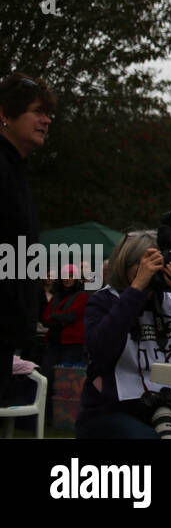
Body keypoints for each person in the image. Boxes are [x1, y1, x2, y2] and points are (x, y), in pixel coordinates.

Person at [76, 230, 171, 438]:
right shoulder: (104, 300)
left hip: (169, 405)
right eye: (149, 263)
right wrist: (135, 291)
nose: (157, 271)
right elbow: (101, 349)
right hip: (112, 408)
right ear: (126, 265)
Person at [0, 73, 54, 407]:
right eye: (37, 111)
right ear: (5, 113)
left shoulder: (16, 170)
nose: (46, 120)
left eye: (49, 113)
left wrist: (36, 305)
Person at [41, 264, 89, 370]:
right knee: (46, 374)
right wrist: (59, 317)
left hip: (72, 344)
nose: (68, 279)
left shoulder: (82, 296)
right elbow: (44, 317)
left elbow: (71, 316)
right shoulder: (57, 296)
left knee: (65, 380)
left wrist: (53, 316)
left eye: (71, 276)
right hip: (54, 341)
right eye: (65, 276)